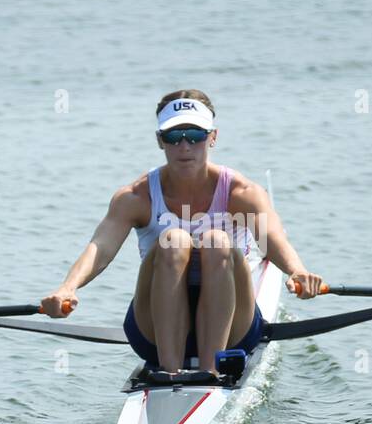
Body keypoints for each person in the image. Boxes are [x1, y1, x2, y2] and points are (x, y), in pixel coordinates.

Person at [41, 89, 323, 375]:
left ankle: (209, 371)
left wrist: (297, 271)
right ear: (160, 141)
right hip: (153, 332)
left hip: (232, 331)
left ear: (213, 137)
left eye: (195, 135)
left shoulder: (242, 193)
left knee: (215, 241)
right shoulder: (135, 197)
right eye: (174, 137)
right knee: (174, 241)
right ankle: (169, 372)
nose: (184, 146)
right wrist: (68, 288)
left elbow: (271, 237)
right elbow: (99, 249)